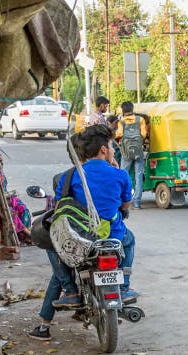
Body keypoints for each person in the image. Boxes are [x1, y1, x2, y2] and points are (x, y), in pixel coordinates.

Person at [27, 125, 138, 341]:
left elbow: (60, 208)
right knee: (129, 241)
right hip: (111, 237)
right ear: (103, 150)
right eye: (112, 147)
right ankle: (124, 286)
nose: (114, 150)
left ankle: (70, 292)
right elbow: (126, 206)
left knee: (55, 248)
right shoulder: (120, 174)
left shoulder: (71, 176)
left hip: (81, 240)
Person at [115, 101, 147, 209]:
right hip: (138, 151)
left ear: (123, 111)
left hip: (126, 152)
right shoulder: (140, 120)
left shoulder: (121, 121)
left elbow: (119, 134)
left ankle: (124, 200)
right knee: (138, 175)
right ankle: (137, 203)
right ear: (132, 109)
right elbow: (143, 134)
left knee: (124, 174)